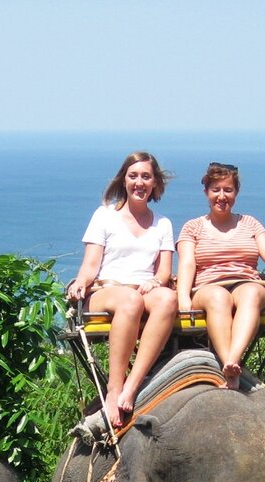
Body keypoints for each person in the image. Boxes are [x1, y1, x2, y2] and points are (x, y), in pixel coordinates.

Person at [66, 151, 177, 428]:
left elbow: (164, 270)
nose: (139, 182)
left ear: (155, 184)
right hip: (108, 290)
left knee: (166, 299)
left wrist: (157, 281)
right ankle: (115, 389)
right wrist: (81, 282)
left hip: (144, 290)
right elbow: (91, 264)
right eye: (133, 176)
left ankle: (132, 385)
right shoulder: (104, 215)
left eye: (146, 177)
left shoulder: (162, 223)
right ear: (124, 181)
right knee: (130, 301)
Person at [176, 162, 265, 388]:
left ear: (236, 192)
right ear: (206, 192)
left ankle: (231, 361)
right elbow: (187, 263)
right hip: (207, 287)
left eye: (228, 190)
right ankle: (230, 366)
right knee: (218, 297)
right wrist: (183, 297)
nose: (222, 196)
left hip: (247, 281)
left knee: (251, 293)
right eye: (216, 189)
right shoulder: (192, 227)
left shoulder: (249, 223)